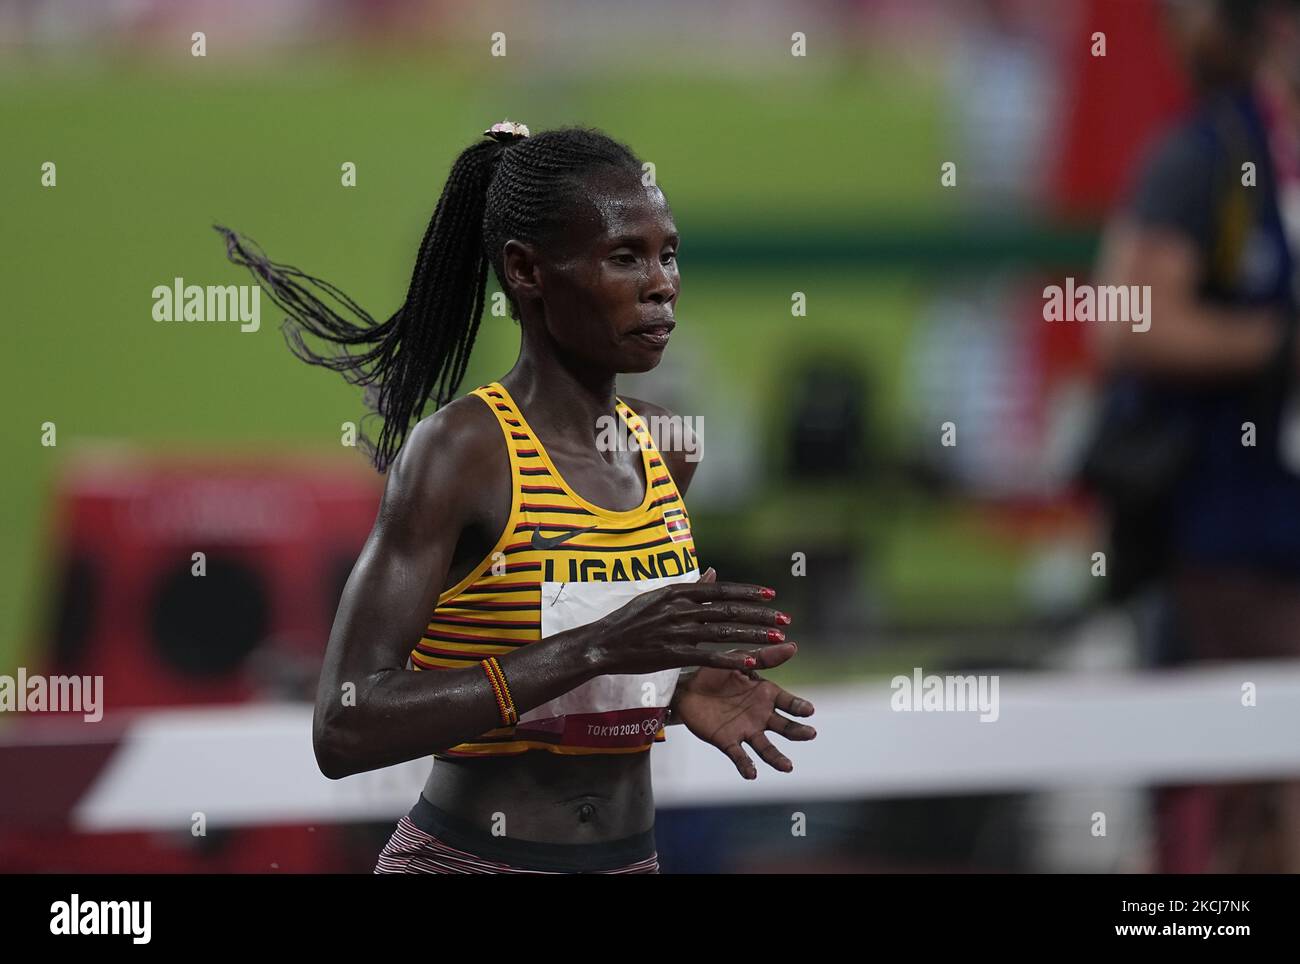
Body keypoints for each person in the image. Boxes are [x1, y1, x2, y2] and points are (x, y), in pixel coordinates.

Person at [219, 120, 817, 874]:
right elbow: (345, 726)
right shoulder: (463, 453)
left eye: (669, 253)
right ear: (527, 271)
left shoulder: (668, 447)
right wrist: (599, 649)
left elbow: (591, 668)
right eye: (625, 256)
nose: (662, 282)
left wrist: (675, 687)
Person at [1092, 0, 1300, 872]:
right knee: (1260, 795)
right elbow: (1123, 321)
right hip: (1234, 539)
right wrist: (1274, 343)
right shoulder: (1210, 155)